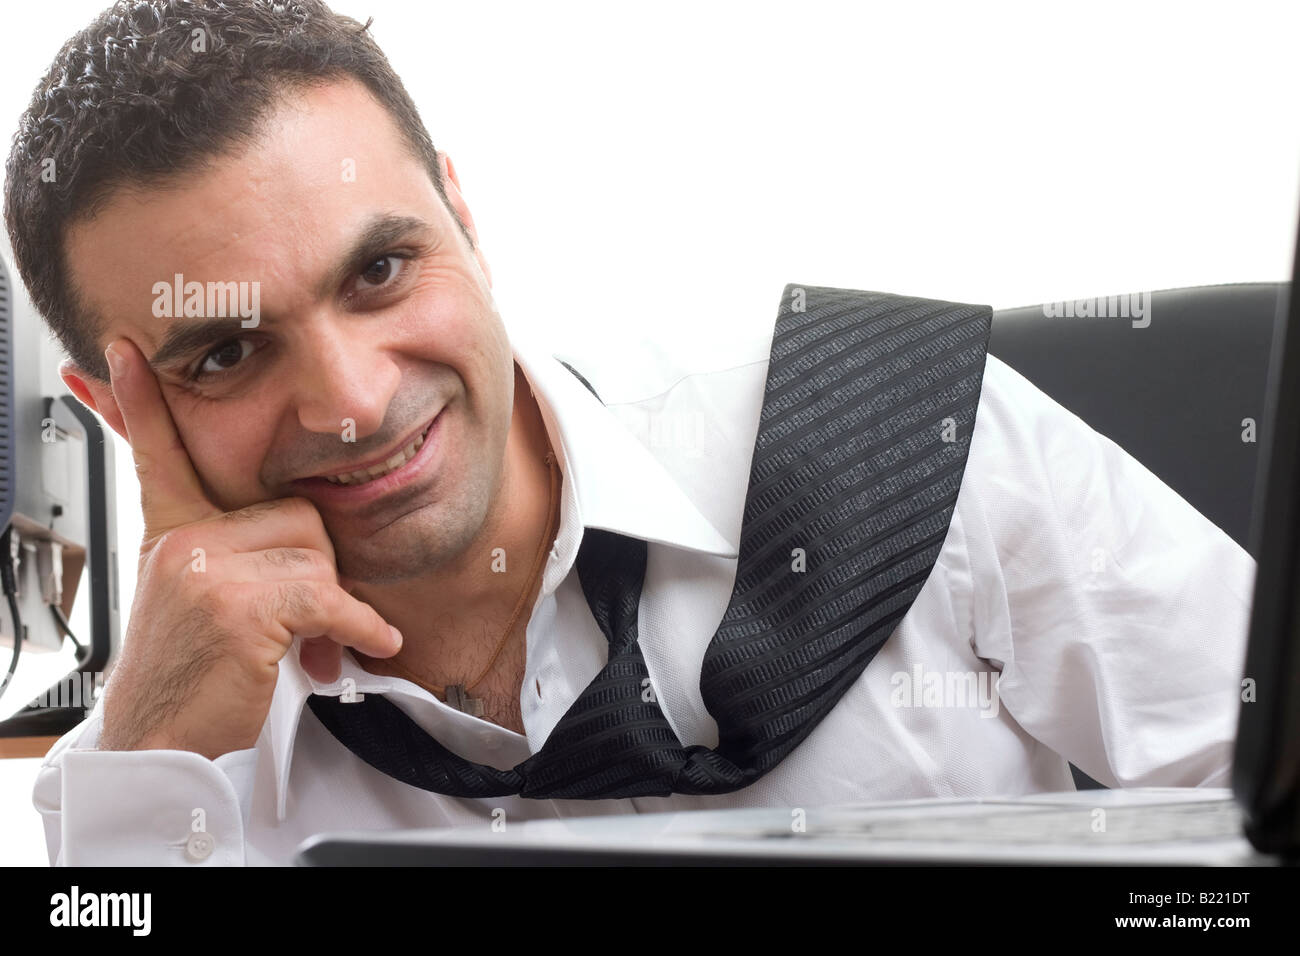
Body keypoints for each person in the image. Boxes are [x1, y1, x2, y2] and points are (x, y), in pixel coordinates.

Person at [3, 0, 1254, 866]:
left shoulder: (902, 423)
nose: (351, 400)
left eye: (382, 269)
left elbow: (1262, 787)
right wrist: (155, 755)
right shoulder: (159, 754)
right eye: (223, 351)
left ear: (464, 217)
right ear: (118, 409)